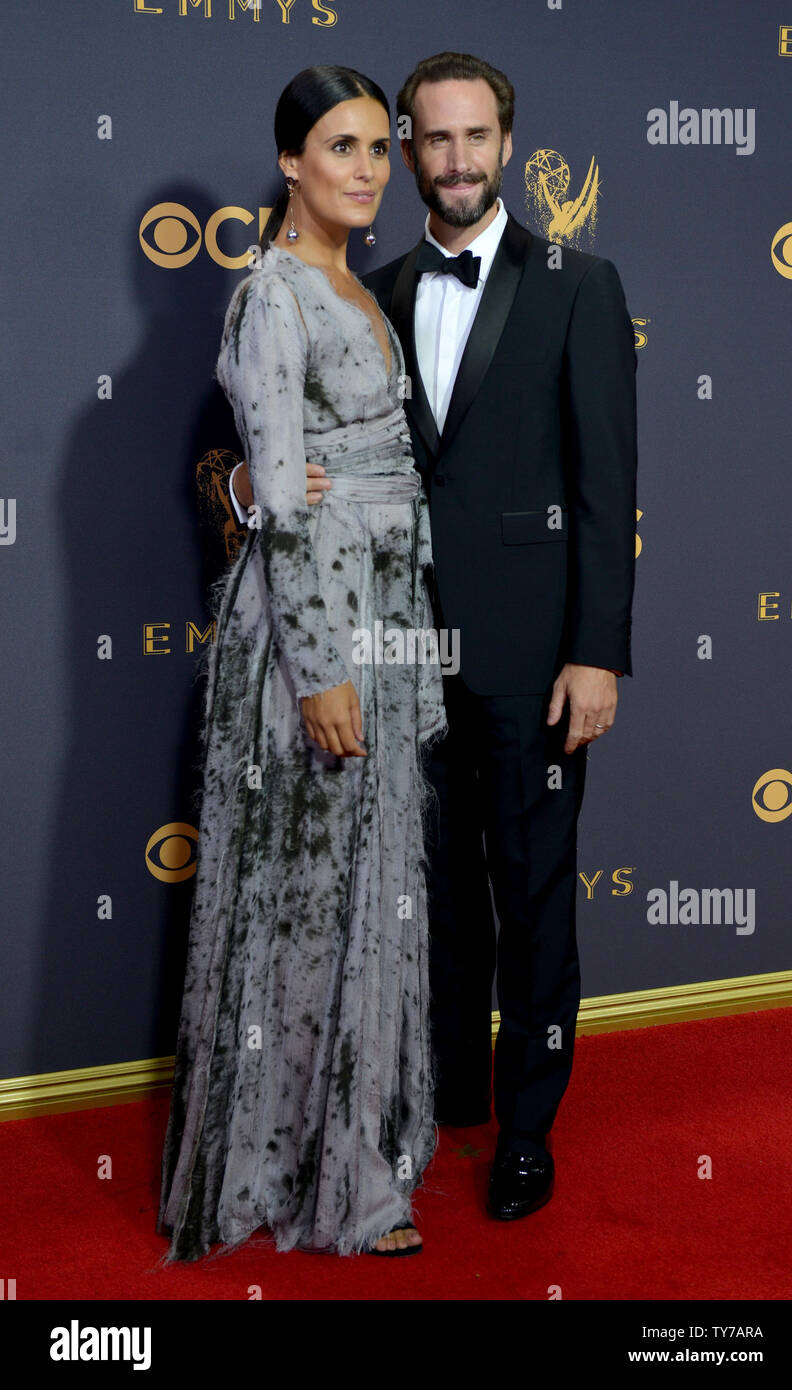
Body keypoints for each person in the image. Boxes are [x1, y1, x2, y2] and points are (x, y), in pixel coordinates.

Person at [231, 50, 638, 1224]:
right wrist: (255, 490)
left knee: (535, 899)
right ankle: (448, 1092)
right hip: (399, 655)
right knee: (436, 900)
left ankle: (524, 1128)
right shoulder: (377, 288)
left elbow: (609, 487)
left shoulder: (580, 284)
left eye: (476, 139)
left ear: (506, 146)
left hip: (534, 657)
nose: (454, 161)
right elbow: (306, 449)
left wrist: (597, 650)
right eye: (431, 140)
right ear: (406, 150)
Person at [156, 64, 448, 1263]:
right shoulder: (272, 292)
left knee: (369, 900)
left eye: (382, 147)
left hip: (379, 621)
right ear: (290, 162)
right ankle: (307, 1177)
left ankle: (362, 1162)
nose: (370, 169)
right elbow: (277, 500)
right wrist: (324, 667)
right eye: (343, 147)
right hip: (308, 641)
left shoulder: (355, 284)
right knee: (306, 909)